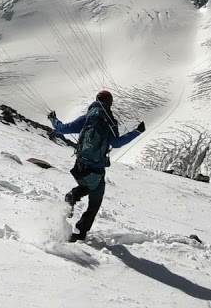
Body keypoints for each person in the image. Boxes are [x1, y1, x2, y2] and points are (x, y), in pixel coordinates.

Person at [49, 90, 145, 243]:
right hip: (96, 168)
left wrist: (53, 119)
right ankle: (79, 232)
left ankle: (73, 195)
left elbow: (63, 129)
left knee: (87, 186)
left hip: (79, 164)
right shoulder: (110, 121)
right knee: (95, 201)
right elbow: (117, 143)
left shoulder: (87, 117)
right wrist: (137, 132)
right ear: (110, 103)